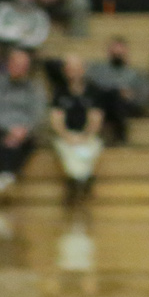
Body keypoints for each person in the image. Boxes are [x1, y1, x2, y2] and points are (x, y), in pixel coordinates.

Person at [0, 47, 47, 199]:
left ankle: (1, 175)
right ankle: (7, 175)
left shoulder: (35, 88)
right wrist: (9, 129)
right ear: (9, 64)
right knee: (0, 139)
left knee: (19, 142)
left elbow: (39, 114)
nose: (20, 68)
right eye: (17, 64)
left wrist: (23, 130)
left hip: (25, 133)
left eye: (24, 65)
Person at [51, 54, 105, 203]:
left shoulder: (93, 90)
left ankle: (81, 182)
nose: (74, 72)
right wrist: (67, 136)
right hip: (66, 136)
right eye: (70, 69)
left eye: (77, 68)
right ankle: (76, 183)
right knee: (66, 151)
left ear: (83, 69)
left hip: (87, 136)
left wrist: (84, 136)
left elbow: (96, 119)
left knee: (92, 149)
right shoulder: (59, 91)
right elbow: (56, 119)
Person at [85, 37, 149, 145]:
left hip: (125, 106)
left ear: (126, 52)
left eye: (120, 50)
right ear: (109, 51)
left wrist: (130, 95)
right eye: (114, 50)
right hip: (102, 104)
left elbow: (143, 97)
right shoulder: (97, 71)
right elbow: (90, 88)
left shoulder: (135, 74)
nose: (117, 53)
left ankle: (118, 136)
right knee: (111, 95)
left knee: (117, 99)